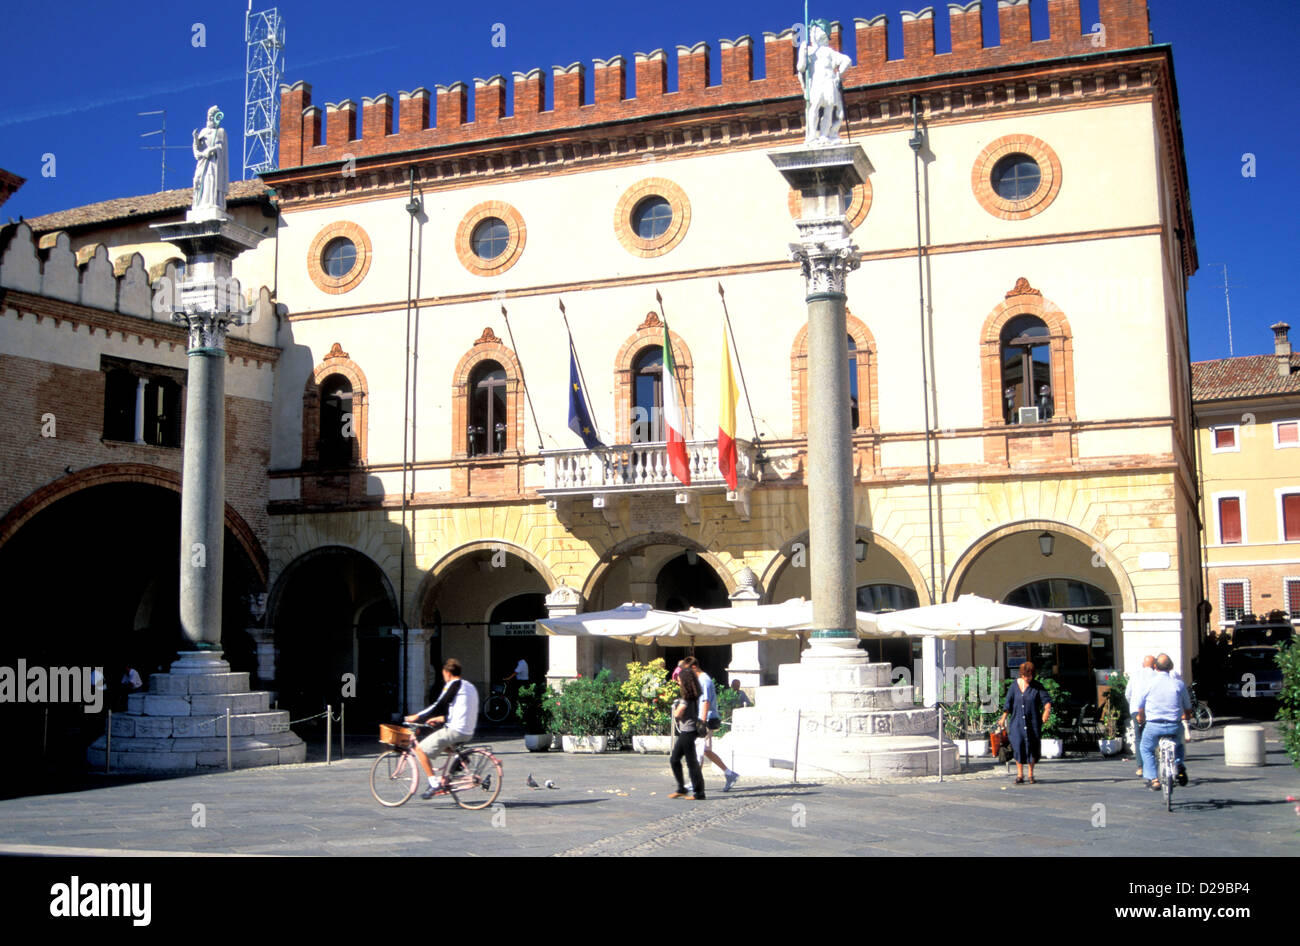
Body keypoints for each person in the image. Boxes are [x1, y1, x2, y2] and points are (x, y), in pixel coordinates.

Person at [404, 658, 479, 799]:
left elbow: (438, 705)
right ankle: (460, 758)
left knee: (420, 750)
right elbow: (462, 708)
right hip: (468, 730)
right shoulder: (469, 686)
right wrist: (441, 718)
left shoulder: (453, 684)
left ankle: (434, 784)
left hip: (456, 729)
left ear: (446, 672)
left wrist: (417, 717)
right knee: (441, 741)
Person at [684, 657, 739, 791]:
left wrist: (701, 723)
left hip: (706, 719)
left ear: (693, 668)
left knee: (698, 750)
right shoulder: (702, 680)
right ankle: (729, 774)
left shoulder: (704, 681)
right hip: (707, 718)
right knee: (706, 751)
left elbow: (706, 702)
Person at [1137, 653, 1191, 791]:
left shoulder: (1149, 684)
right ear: (1171, 667)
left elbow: (1140, 705)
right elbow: (1187, 706)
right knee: (1179, 745)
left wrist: (1140, 717)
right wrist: (1187, 717)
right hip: (1174, 725)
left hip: (1154, 725)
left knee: (1145, 748)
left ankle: (1154, 779)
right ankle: (1179, 765)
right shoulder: (1178, 684)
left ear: (1155, 667)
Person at [997, 660, 1052, 784]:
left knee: (1033, 747)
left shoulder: (1037, 686)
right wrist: (1003, 717)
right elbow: (1008, 703)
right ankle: (1020, 775)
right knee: (1018, 746)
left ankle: (1031, 775)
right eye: (1025, 676)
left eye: (1030, 676)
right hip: (1016, 723)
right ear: (1021, 675)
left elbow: (1046, 700)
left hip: (1033, 722)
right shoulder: (1014, 686)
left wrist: (1046, 711)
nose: (1028, 678)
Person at [668, 662, 706, 801]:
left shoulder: (686, 698)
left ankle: (698, 792)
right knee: (679, 760)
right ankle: (683, 788)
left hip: (687, 731)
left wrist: (676, 707)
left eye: (679, 680)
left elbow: (678, 714)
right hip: (689, 730)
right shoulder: (693, 696)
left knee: (688, 762)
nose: (678, 682)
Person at [1128, 655, 1156, 776]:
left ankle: (1140, 767)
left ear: (1142, 664)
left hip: (1136, 710)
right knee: (1152, 737)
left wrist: (1132, 704)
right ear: (1154, 665)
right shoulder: (1156, 676)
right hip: (1151, 710)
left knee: (1138, 738)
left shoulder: (1135, 675)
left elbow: (1127, 693)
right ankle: (1151, 765)